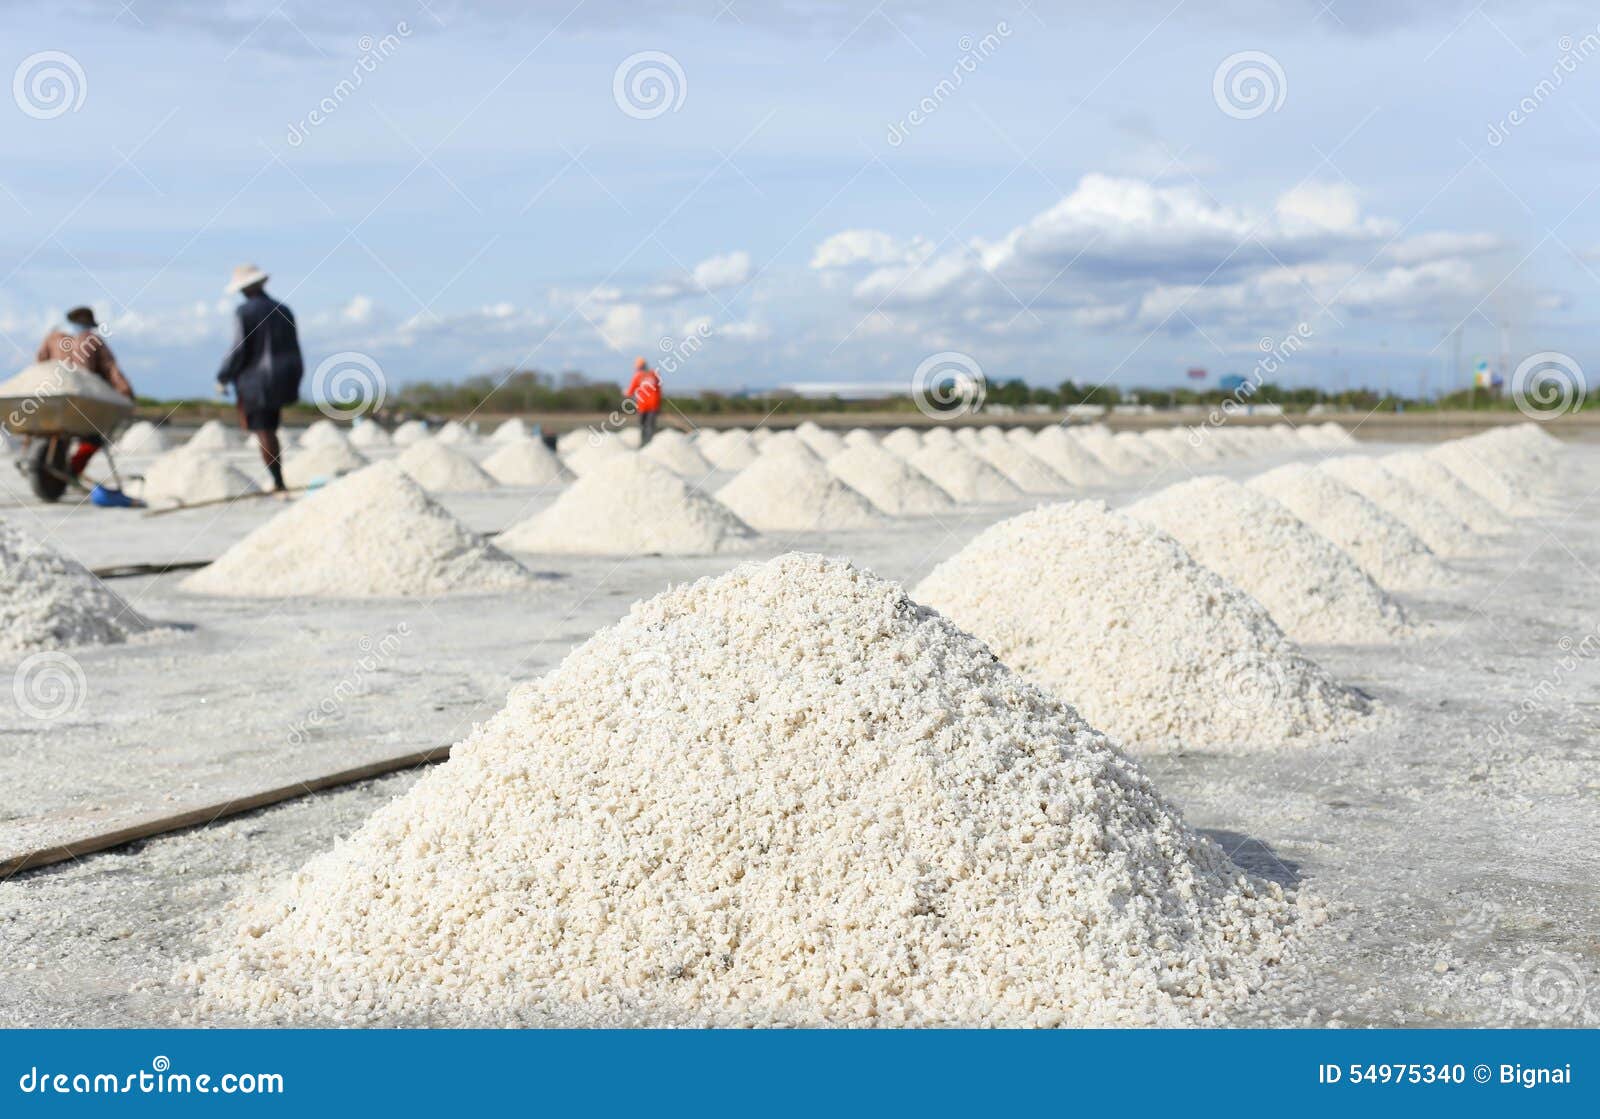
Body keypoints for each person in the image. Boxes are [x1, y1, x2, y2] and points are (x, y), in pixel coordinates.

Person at [215, 264, 303, 493]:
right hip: (283, 379)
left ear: (245, 288)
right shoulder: (285, 310)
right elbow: (295, 349)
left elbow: (239, 349)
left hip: (257, 382)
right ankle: (278, 480)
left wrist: (223, 376)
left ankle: (278, 482)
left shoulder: (245, 312)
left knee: (264, 430)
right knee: (270, 428)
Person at [36, 306, 135, 476]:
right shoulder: (92, 340)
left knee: (59, 434)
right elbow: (111, 369)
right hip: (82, 400)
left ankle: (60, 471)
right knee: (93, 439)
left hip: (52, 399)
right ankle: (73, 471)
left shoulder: (52, 338)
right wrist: (126, 392)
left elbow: (40, 363)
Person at [625, 356, 662, 447]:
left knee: (644, 425)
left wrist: (625, 393)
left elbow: (630, 392)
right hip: (651, 405)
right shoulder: (654, 374)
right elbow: (659, 389)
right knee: (650, 425)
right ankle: (648, 443)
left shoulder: (639, 376)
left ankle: (644, 444)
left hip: (645, 406)